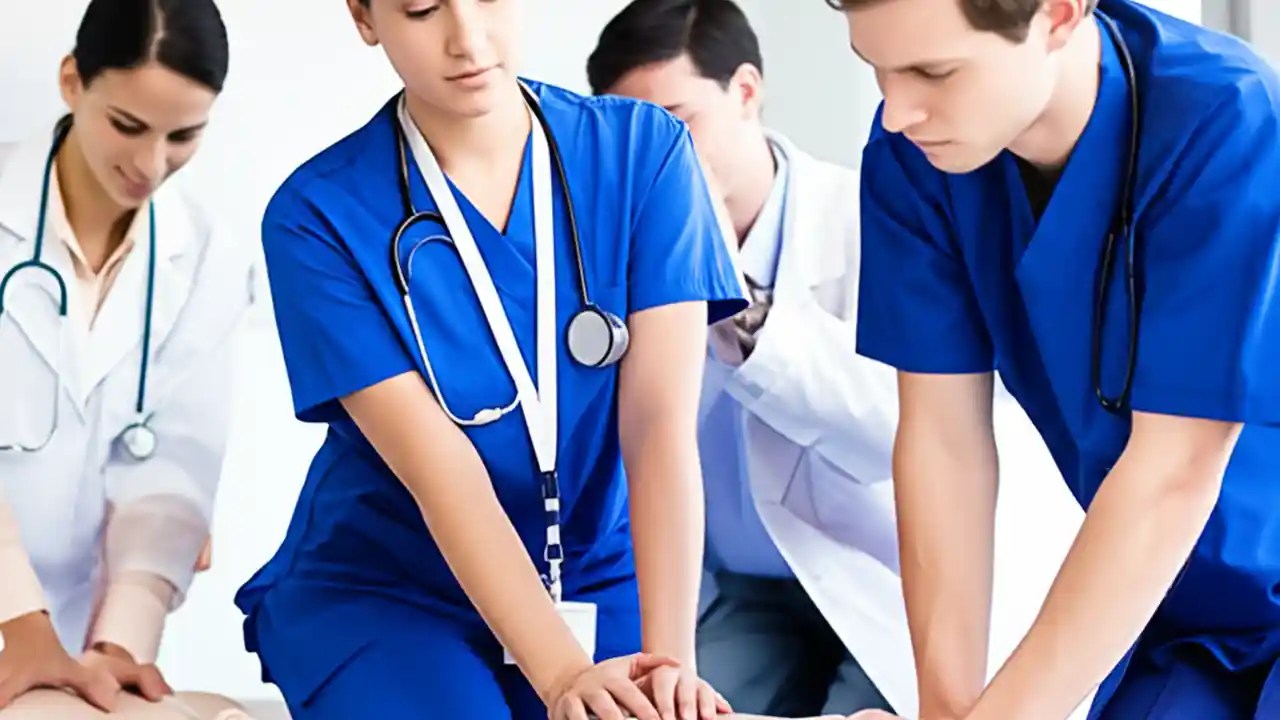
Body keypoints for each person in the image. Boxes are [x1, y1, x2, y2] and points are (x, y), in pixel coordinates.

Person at [233, 1, 748, 719]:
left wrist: (671, 669)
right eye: (422, 8)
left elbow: (658, 425)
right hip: (393, 589)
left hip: (593, 574)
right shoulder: (318, 216)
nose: (467, 40)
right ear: (364, 15)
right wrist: (562, 675)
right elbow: (442, 473)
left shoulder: (645, 152)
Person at [828, 0, 1280, 718]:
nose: (897, 112)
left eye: (933, 72)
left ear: (1060, 14)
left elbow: (1174, 470)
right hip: (1178, 616)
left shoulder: (1225, 121)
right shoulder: (915, 159)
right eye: (877, 70)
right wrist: (946, 709)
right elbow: (944, 442)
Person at [587, 1, 913, 718]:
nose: (659, 163)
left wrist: (729, 289)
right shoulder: (612, 264)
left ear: (745, 91)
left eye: (678, 124)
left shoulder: (869, 222)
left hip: (878, 578)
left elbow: (901, 434)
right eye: (637, 142)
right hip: (738, 593)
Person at [0, 0, 254, 719]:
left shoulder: (204, 255)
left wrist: (120, 645)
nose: (150, 164)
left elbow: (173, 469)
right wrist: (20, 624)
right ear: (72, 81)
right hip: (23, 635)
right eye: (127, 125)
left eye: (184, 135)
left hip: (70, 642)